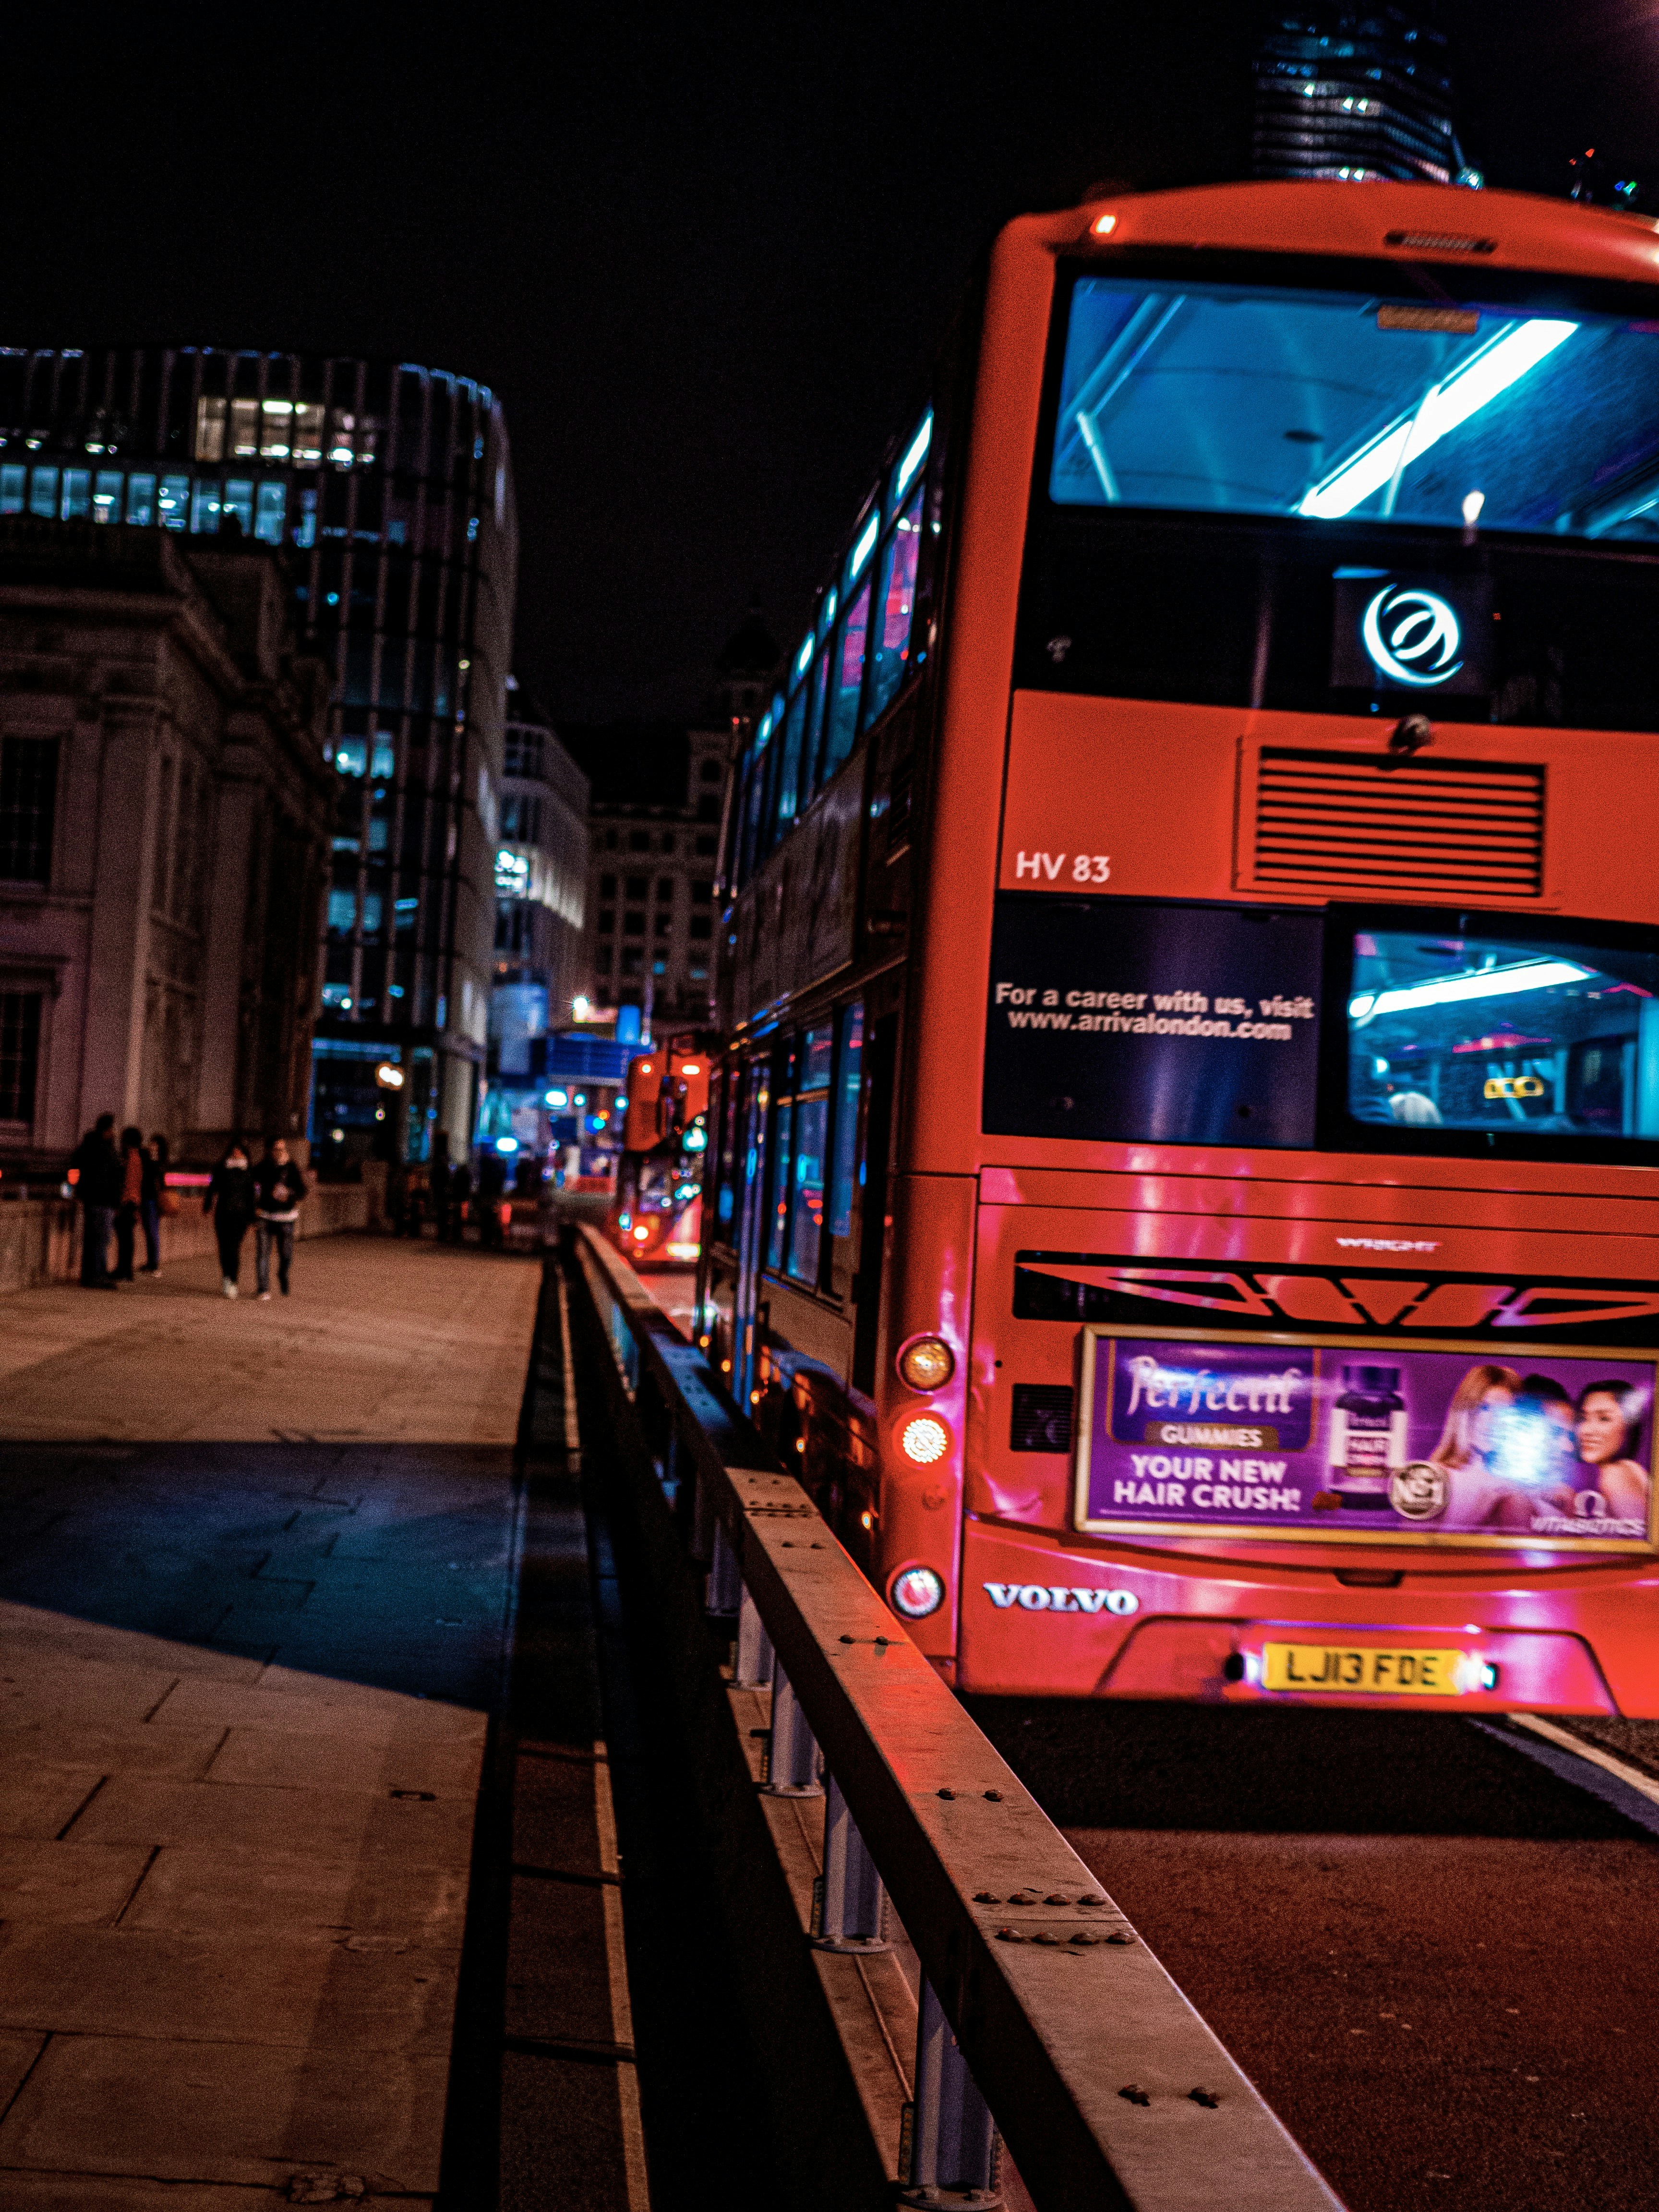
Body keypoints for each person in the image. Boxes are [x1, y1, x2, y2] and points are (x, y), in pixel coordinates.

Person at [1428, 1362, 1522, 1528]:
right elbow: (1411, 1551)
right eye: (1485, 1409)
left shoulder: (1521, 1482)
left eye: (1504, 1412)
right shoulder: (1433, 1477)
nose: (1494, 1422)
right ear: (1464, 1414)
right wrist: (1478, 1513)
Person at [1575, 1380, 1651, 1527]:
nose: (1586, 1431)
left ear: (1628, 1428)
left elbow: (1639, 1543)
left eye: (1604, 1419)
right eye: (1584, 1418)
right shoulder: (1631, 1469)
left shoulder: (1615, 1474)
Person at [252, 1137, 309, 1299]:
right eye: (277, 1149)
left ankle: (283, 1275)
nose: (280, 1152)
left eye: (283, 1148)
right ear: (270, 1150)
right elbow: (252, 1187)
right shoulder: (262, 1167)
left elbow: (302, 1191)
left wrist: (289, 1195)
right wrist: (256, 1205)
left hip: (286, 1218)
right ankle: (263, 1289)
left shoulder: (292, 1167)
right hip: (265, 1216)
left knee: (286, 1255)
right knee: (263, 1253)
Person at [70, 1114, 121, 1288]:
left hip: (93, 1198)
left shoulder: (89, 1146)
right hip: (102, 1200)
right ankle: (97, 1275)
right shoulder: (104, 1149)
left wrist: (76, 1189)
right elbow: (112, 1176)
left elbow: (74, 1166)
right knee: (100, 1239)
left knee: (93, 1238)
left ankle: (91, 1274)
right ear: (108, 1129)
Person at [204, 1136, 256, 1298]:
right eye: (234, 1151)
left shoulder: (249, 1171)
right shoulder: (221, 1168)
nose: (237, 1154)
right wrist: (207, 1205)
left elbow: (251, 1195)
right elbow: (212, 1188)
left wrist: (253, 1217)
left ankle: (233, 1280)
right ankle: (227, 1276)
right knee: (224, 1248)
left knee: (233, 1248)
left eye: (240, 1151)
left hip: (240, 1215)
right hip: (223, 1213)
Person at [112, 1126, 144, 1282]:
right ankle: (126, 1269)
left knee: (124, 1238)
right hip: (134, 1201)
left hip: (128, 1202)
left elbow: (128, 1183)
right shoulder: (137, 1158)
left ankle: (123, 1269)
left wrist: (122, 1203)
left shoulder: (131, 1159)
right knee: (127, 1238)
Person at [140, 1133, 169, 1274]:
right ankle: (151, 1263)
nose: (151, 1146)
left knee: (152, 1232)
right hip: (148, 1199)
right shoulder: (153, 1161)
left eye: (154, 1143)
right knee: (150, 1232)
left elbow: (158, 1181)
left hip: (152, 1201)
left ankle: (154, 1265)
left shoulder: (157, 1163)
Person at [476, 1149, 508, 1248]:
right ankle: (491, 1240)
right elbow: (499, 1183)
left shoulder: (486, 1168)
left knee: (486, 1219)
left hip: (486, 1196)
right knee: (492, 1219)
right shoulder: (497, 1168)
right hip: (492, 1196)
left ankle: (486, 1239)